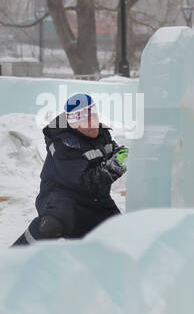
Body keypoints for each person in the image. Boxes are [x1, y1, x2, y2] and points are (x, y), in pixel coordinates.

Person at [12, 93, 127, 246]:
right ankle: (13, 258)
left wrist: (122, 155)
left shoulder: (102, 134)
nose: (89, 124)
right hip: (61, 199)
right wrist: (114, 168)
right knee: (52, 225)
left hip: (95, 202)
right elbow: (85, 182)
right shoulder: (64, 145)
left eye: (91, 117)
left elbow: (112, 154)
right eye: (80, 120)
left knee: (123, 234)